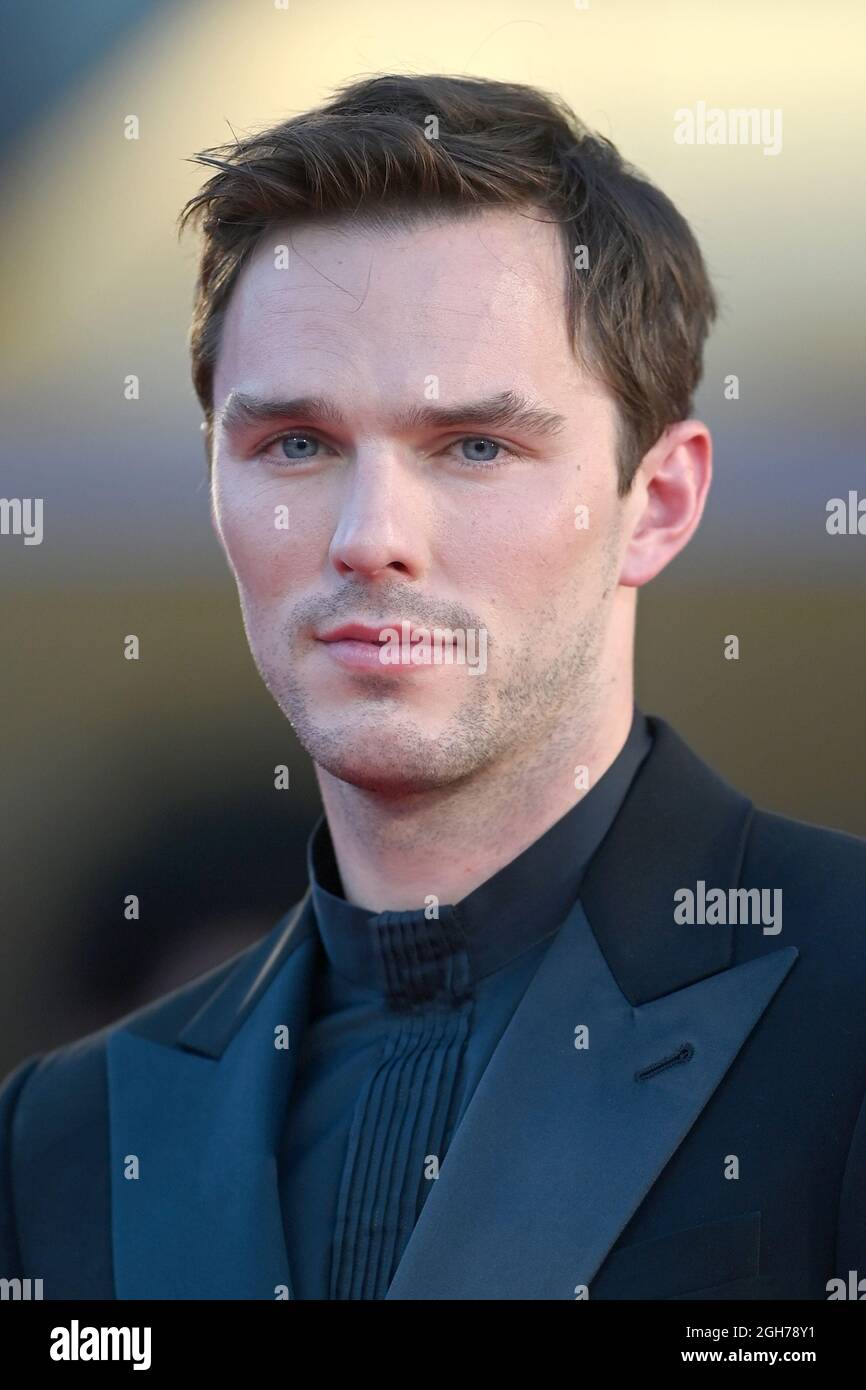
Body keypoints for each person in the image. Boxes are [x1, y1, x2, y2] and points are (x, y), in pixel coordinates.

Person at [2, 73, 865, 1302]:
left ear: (656, 503)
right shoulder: (60, 1142)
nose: (369, 535)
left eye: (474, 446)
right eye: (294, 444)